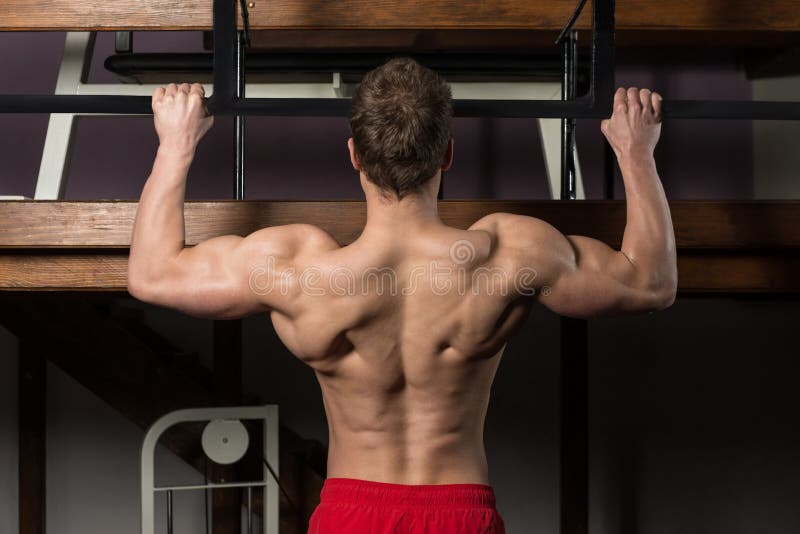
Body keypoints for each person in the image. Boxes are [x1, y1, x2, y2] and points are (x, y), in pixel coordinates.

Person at [128, 58, 676, 534]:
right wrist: (637, 154)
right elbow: (650, 283)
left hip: (351, 514)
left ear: (354, 155)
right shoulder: (510, 255)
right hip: (460, 511)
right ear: (447, 155)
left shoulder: (298, 269)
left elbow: (152, 275)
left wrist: (176, 145)